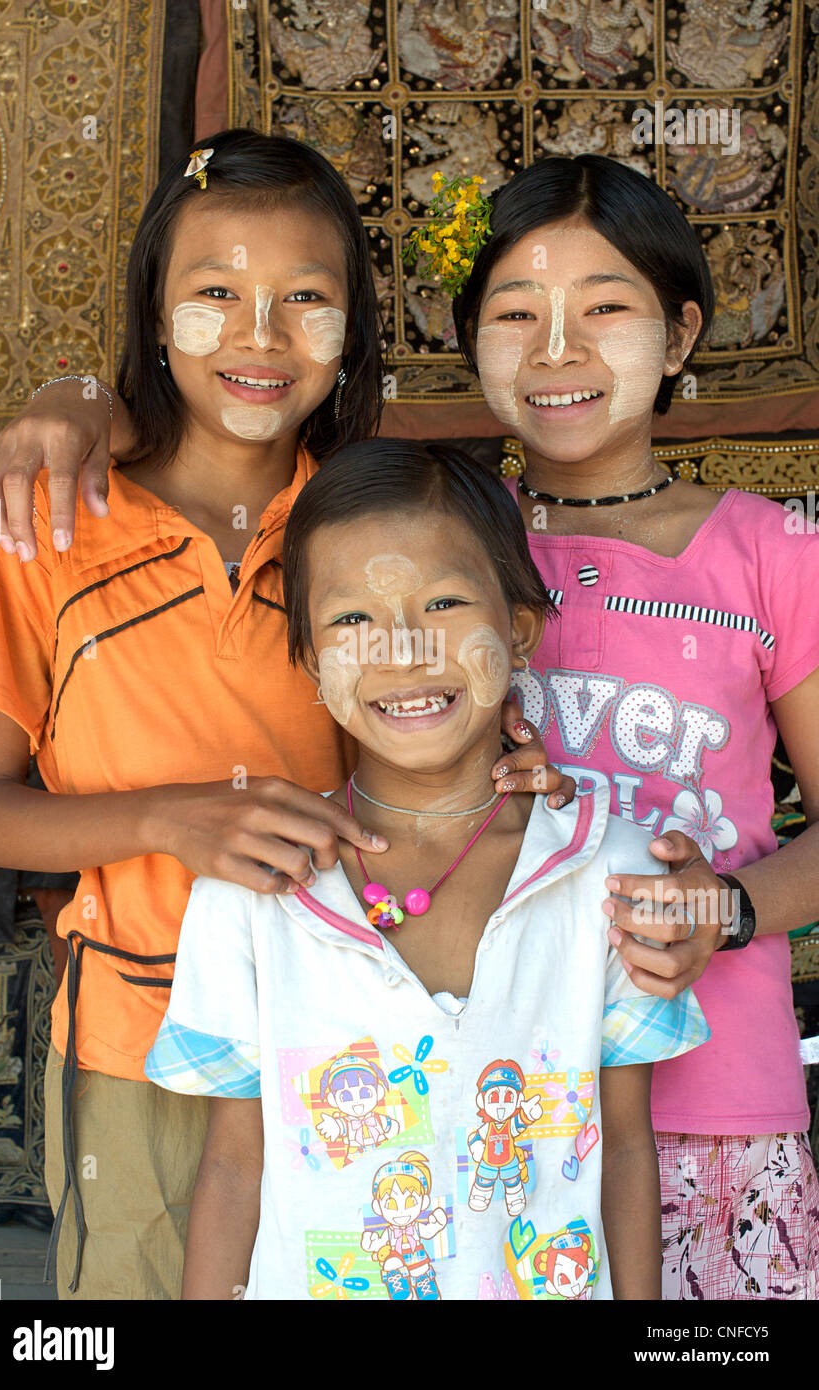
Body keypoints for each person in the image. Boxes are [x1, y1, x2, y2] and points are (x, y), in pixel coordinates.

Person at [0, 130, 567, 1302]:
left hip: (360, 1035)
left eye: (305, 298)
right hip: (138, 1053)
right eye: (215, 295)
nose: (260, 334)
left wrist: (500, 764)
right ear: (151, 316)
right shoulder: (40, 532)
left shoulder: (371, 532)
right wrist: (173, 820)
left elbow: (427, 738)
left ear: (353, 333)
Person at [145, 440, 710, 1301]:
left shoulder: (611, 872)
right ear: (307, 659)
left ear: (518, 628)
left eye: (441, 602)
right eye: (350, 621)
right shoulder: (255, 886)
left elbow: (624, 1145)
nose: (401, 651)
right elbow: (231, 1167)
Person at [448, 153, 819, 1299]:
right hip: (488, 1103)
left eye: (606, 308)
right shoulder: (438, 546)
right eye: (516, 314)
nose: (557, 349)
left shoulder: (772, 553)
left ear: (681, 333)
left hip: (717, 1109)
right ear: (471, 343)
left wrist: (734, 903)